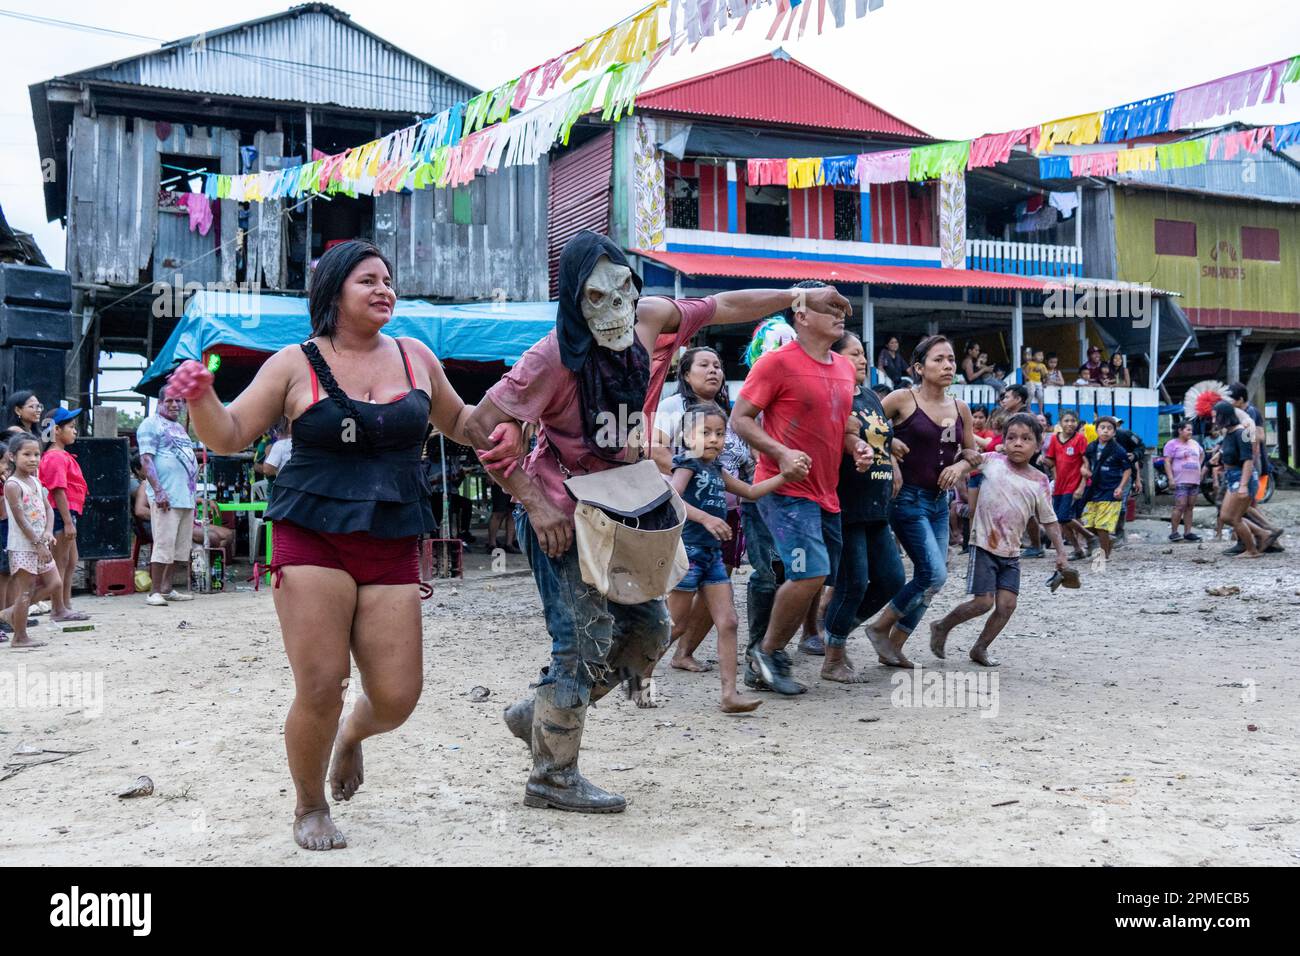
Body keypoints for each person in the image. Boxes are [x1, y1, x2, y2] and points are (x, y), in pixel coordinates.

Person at [471, 231, 854, 811]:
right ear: (574, 301)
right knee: (580, 641)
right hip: (561, 514)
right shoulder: (549, 358)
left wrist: (797, 293)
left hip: (626, 508)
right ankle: (551, 778)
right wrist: (533, 501)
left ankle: (543, 712)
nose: (616, 308)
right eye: (598, 297)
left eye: (624, 290)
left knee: (648, 632)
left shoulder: (650, 321)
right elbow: (480, 425)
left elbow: (724, 305)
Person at [167, 239, 522, 850]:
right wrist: (201, 397)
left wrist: (514, 415)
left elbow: (463, 425)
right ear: (334, 292)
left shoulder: (416, 358)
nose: (385, 289)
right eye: (368, 280)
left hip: (389, 538)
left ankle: (350, 737)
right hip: (312, 537)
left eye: (388, 279)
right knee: (323, 683)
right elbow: (227, 436)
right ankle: (309, 805)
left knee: (396, 696)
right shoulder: (293, 363)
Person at [731, 280, 872, 696]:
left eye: (842, 309)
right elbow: (740, 418)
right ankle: (768, 652)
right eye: (829, 307)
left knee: (818, 574)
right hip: (784, 488)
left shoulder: (845, 368)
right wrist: (781, 452)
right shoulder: (776, 363)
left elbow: (842, 425)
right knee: (808, 572)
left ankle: (766, 657)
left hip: (827, 491)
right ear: (802, 315)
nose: (839, 314)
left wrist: (857, 446)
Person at [863, 335, 980, 668]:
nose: (947, 366)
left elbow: (971, 455)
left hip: (939, 503)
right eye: (938, 359)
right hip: (906, 499)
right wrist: (889, 454)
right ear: (918, 367)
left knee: (933, 578)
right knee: (933, 574)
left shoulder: (960, 408)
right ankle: (879, 628)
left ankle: (894, 645)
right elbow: (865, 428)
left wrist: (959, 466)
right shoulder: (902, 399)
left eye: (951, 360)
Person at [667, 401, 792, 712]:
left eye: (720, 433)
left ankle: (729, 695)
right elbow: (672, 499)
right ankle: (636, 676)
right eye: (705, 432)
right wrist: (706, 519)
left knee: (729, 622)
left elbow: (749, 493)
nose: (713, 439)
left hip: (711, 557)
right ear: (685, 436)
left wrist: (785, 477)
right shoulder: (687, 465)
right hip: (689, 555)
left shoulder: (717, 469)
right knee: (675, 626)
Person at [928, 413, 1069, 667]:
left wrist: (1060, 553)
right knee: (983, 602)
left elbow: (1049, 520)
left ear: (1038, 445)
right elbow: (967, 462)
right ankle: (942, 626)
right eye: (1012, 437)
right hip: (983, 545)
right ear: (1003, 441)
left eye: (1026, 439)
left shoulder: (1039, 481)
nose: (1018, 443)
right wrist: (959, 462)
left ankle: (980, 648)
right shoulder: (992, 461)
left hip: (1012, 551)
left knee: (1007, 605)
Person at [651, 345, 753, 669]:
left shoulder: (728, 411)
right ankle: (643, 662)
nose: (714, 371)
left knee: (717, 593)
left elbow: (744, 462)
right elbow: (653, 449)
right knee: (682, 597)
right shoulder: (673, 406)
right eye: (704, 365)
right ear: (685, 373)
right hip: (692, 518)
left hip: (729, 515)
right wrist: (696, 471)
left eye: (718, 366)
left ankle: (685, 653)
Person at [821, 332, 905, 683]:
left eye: (863, 354)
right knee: (853, 581)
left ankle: (834, 628)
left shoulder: (870, 396)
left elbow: (879, 439)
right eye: (854, 354)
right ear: (834, 358)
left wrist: (894, 461)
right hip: (845, 500)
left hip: (876, 502)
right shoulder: (831, 396)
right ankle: (833, 657)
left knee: (892, 579)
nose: (862, 360)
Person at [137, 386, 199, 607]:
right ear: (160, 402)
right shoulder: (150, 424)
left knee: (179, 546)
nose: (175, 405)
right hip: (167, 495)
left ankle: (167, 588)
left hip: (185, 495)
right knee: (163, 544)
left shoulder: (179, 428)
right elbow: (146, 460)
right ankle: (154, 592)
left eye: (180, 401)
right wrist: (159, 490)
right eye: (170, 400)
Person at [2, 433, 59, 648]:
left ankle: (11, 612)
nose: (33, 459)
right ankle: (19, 637)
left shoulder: (35, 480)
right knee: (25, 591)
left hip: (40, 543)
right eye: (27, 454)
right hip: (23, 547)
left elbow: (47, 508)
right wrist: (37, 543)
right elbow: (21, 520)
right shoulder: (13, 485)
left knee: (55, 583)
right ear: (13, 456)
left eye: (37, 454)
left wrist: (48, 531)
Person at [37, 408, 90, 622]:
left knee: (70, 560)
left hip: (67, 513)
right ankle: (58, 609)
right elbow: (58, 490)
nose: (75, 431)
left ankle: (65, 605)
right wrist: (68, 522)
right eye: (71, 427)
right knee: (60, 562)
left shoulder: (61, 455)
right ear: (57, 430)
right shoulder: (56, 456)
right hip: (61, 514)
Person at [1224, 383, 1281, 553]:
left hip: (1248, 464)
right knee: (1246, 505)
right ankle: (1269, 535)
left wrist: (1249, 457)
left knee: (1240, 506)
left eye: (1230, 399)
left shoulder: (1249, 413)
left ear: (1240, 399)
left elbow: (1259, 437)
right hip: (1246, 463)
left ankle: (1258, 537)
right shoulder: (1242, 413)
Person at [1212, 401, 1271, 558]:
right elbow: (1232, 454)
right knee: (1225, 516)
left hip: (1242, 479)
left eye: (1215, 417)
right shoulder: (1230, 433)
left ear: (1224, 417)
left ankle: (1251, 550)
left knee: (1235, 518)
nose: (1213, 421)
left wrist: (1244, 486)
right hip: (1233, 478)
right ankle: (1262, 534)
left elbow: (1248, 460)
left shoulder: (1242, 433)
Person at [1042, 409, 1095, 559]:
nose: (1070, 424)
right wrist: (1043, 460)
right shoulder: (1054, 439)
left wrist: (1081, 486)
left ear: (1077, 423)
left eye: (1073, 421)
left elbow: (1086, 464)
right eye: (1066, 421)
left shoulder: (1080, 439)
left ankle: (1090, 536)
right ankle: (1078, 550)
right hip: (1060, 484)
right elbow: (1052, 461)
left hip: (1074, 483)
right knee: (1060, 520)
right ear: (1060, 423)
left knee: (1064, 516)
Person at [1077, 416, 1130, 559]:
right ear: (1097, 430)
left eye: (1109, 428)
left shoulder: (1118, 450)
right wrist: (1085, 469)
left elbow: (1127, 469)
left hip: (1110, 490)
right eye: (1102, 428)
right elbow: (1085, 461)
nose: (1105, 431)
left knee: (1102, 526)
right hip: (1093, 489)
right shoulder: (1091, 447)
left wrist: (1120, 487)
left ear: (1114, 432)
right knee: (1087, 524)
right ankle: (1108, 540)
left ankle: (1104, 554)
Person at [1163, 420, 1203, 543]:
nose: (1190, 432)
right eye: (1188, 430)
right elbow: (1167, 461)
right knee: (1180, 506)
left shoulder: (1195, 443)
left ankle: (1188, 532)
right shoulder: (1172, 444)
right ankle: (1174, 532)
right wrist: (1170, 478)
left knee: (1190, 507)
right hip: (1180, 480)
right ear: (1180, 431)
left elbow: (1201, 455)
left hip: (1194, 480)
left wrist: (1198, 466)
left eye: (1191, 430)